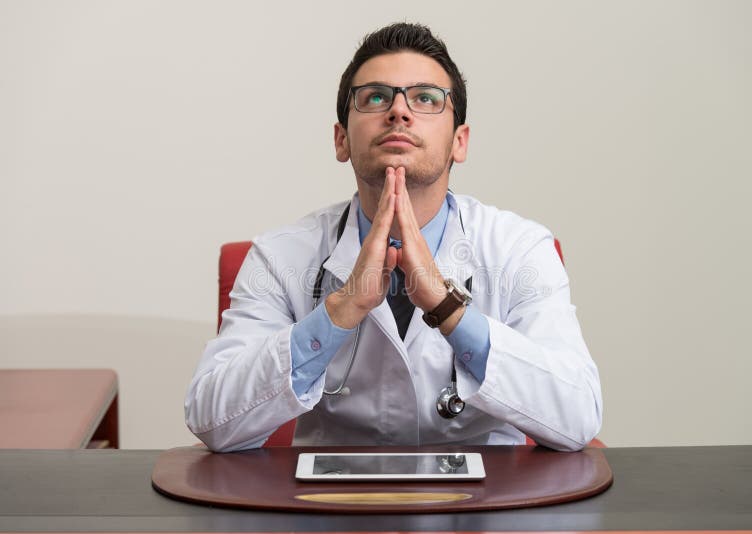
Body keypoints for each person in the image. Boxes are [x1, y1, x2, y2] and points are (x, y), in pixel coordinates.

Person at [185, 22, 602, 453]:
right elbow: (213, 420)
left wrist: (446, 307)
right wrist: (342, 308)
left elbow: (577, 418)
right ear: (341, 139)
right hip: (330, 510)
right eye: (376, 97)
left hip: (485, 508)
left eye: (425, 98)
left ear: (460, 142)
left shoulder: (520, 249)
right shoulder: (279, 255)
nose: (399, 111)